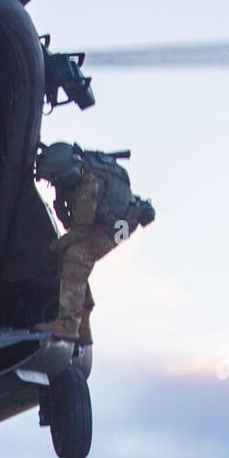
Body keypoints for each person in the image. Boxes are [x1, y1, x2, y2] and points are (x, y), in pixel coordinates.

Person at [34, 143, 155, 344]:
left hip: (120, 225)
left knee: (76, 257)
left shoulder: (88, 184)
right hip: (103, 221)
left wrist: (54, 247)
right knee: (72, 256)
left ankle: (68, 324)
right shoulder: (69, 176)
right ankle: (82, 327)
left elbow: (80, 231)